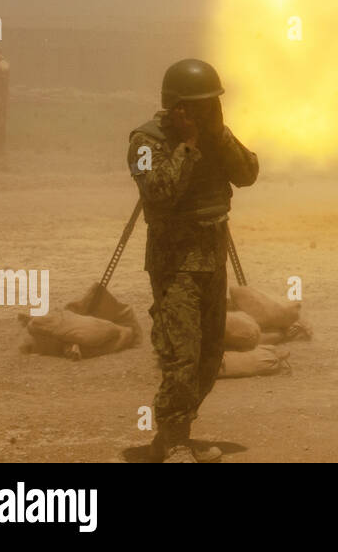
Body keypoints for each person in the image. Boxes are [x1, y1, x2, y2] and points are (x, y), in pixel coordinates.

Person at [129, 59, 259, 462]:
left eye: (210, 105)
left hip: (210, 257)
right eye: (198, 106)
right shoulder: (145, 142)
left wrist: (218, 135)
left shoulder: (215, 136)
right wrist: (187, 146)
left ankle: (177, 431)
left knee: (208, 355)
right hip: (175, 263)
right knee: (180, 354)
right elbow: (158, 192)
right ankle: (172, 440)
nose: (205, 112)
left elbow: (248, 173)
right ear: (176, 106)